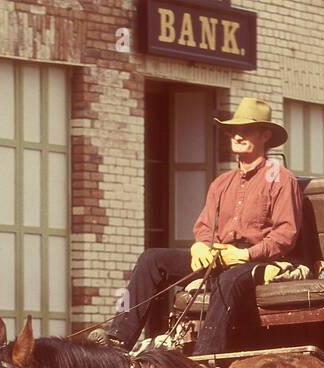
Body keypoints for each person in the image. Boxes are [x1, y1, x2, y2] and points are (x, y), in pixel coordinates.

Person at [97, 98, 304, 354]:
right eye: (233, 130)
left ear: (265, 135)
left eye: (246, 130)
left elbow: (285, 234)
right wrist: (201, 248)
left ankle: (203, 358)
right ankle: (118, 341)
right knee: (152, 258)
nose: (237, 135)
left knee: (228, 279)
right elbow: (205, 226)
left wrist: (244, 254)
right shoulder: (222, 183)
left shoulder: (281, 178)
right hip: (218, 256)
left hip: (257, 261)